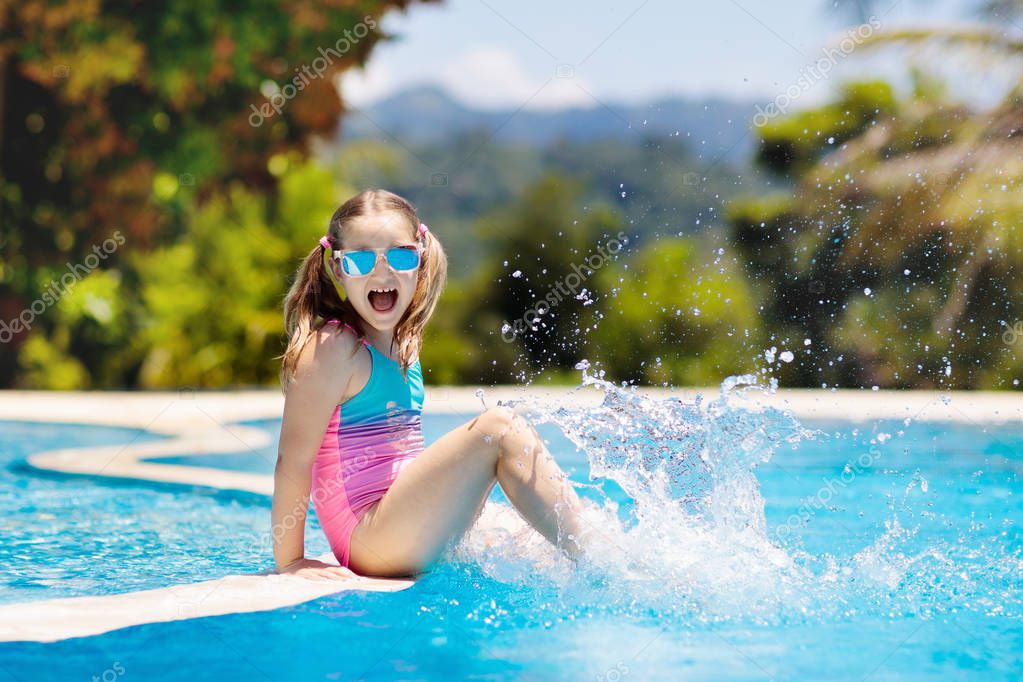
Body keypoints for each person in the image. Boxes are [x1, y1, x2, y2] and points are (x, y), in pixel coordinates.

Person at [272, 189, 587, 580]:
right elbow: (293, 461)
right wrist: (291, 561)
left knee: (528, 534)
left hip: (402, 523)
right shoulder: (332, 349)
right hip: (370, 539)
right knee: (500, 429)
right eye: (361, 259)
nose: (381, 272)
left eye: (400, 256)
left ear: (419, 261)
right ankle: (602, 561)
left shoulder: (405, 344)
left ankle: (605, 555)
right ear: (338, 269)